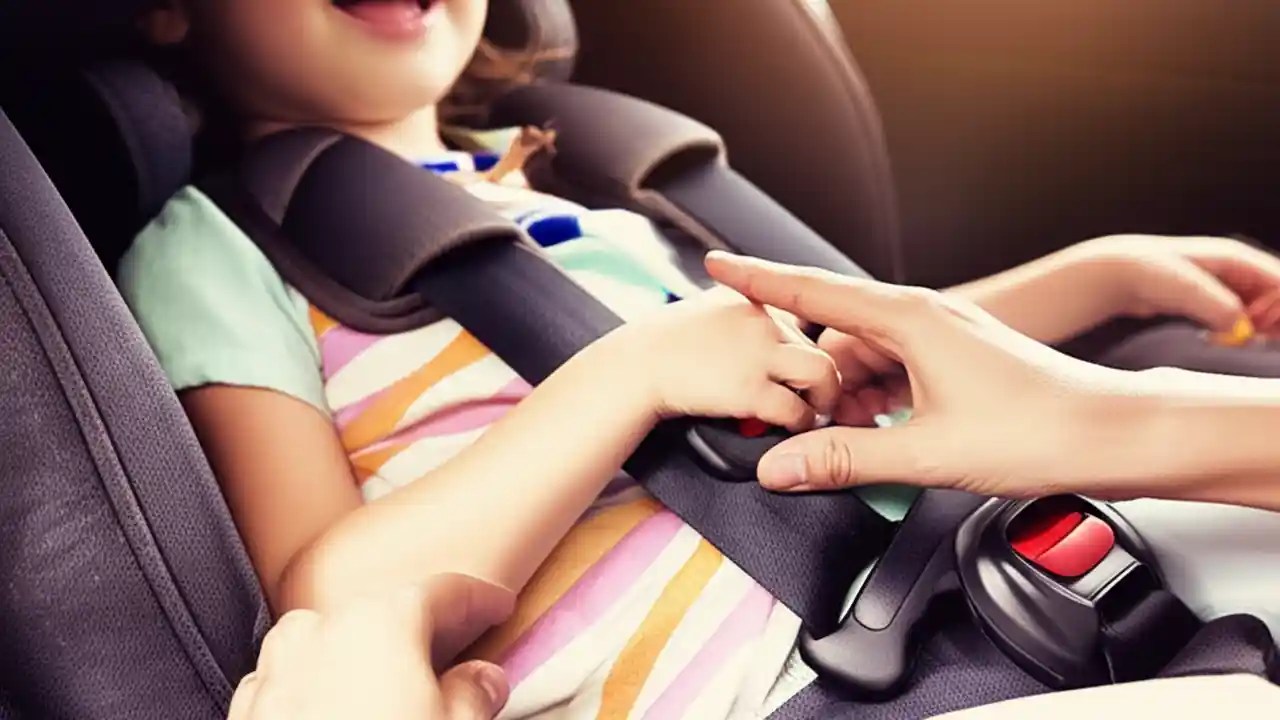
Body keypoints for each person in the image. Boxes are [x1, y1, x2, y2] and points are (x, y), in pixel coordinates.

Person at [119, 0, 1280, 716]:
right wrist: (630, 374)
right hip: (766, 687)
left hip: (972, 576)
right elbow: (332, 600)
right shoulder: (212, 245)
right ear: (171, 7)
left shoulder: (569, 182)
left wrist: (1098, 276)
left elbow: (844, 364)